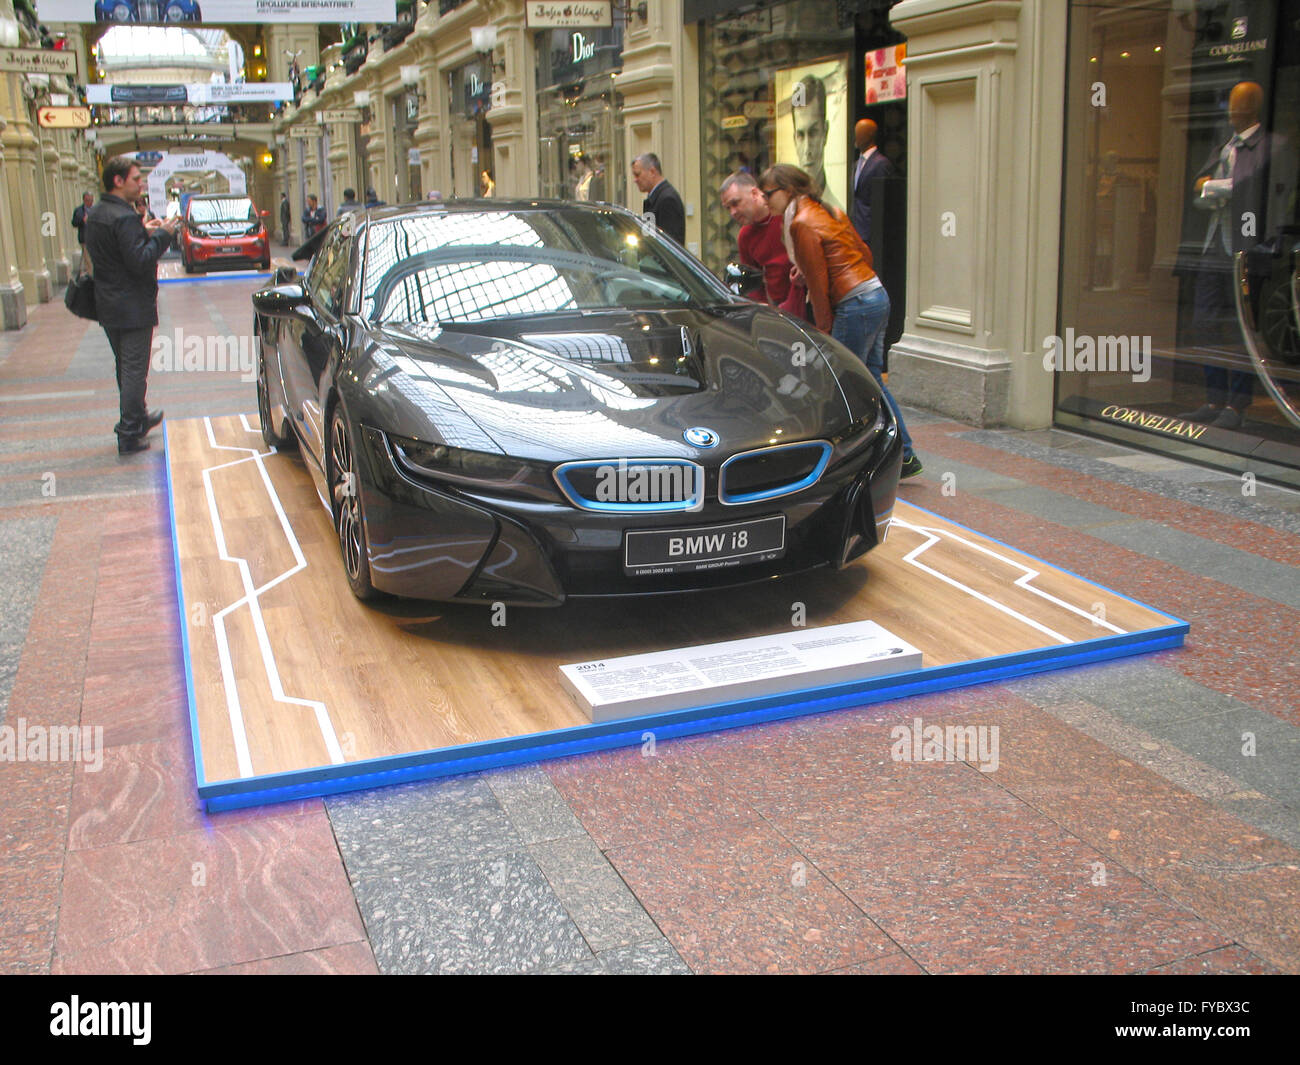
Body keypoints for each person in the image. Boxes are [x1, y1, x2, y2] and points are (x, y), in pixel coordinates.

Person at [759, 164, 921, 478]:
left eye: (769, 193)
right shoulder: (830, 211)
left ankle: (846, 463)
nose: (766, 201)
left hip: (854, 303)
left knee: (840, 385)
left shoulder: (801, 222)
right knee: (871, 380)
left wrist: (824, 327)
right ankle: (904, 456)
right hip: (874, 294)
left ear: (789, 190)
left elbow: (819, 284)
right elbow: (863, 254)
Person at [1179, 81, 1296, 429]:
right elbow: (1200, 181)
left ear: (1252, 108)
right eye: (1230, 105)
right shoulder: (1224, 147)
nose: (1232, 112)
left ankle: (1237, 404)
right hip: (1214, 244)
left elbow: (1271, 195)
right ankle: (1214, 397)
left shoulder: (1273, 147)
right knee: (1204, 322)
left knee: (1242, 327)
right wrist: (1210, 186)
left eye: (1238, 105)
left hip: (1246, 246)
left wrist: (1229, 191)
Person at [84, 155, 180, 455]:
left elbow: (117, 252)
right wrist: (163, 235)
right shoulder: (123, 216)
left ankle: (137, 417)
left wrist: (143, 233)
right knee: (135, 369)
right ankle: (129, 431)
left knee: (124, 366)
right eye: (136, 178)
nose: (141, 183)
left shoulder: (98, 212)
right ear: (118, 181)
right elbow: (139, 261)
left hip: (108, 303)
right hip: (132, 304)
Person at [719, 171, 805, 316]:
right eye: (728, 208)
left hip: (805, 299)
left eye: (735, 203)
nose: (733, 212)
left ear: (754, 193)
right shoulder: (745, 236)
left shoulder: (786, 217)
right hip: (778, 308)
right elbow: (754, 284)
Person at [791, 75, 842, 214]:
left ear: (825, 132)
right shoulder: (787, 209)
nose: (807, 149)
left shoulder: (838, 212)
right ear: (794, 138)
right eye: (801, 135)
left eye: (813, 133)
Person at [850, 119, 895, 255]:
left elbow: (885, 203)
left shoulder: (881, 164)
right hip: (855, 231)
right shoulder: (855, 165)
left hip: (871, 234)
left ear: (869, 135)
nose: (855, 137)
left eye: (859, 133)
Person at [631, 152, 686, 245]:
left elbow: (670, 245)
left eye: (638, 174)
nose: (635, 180)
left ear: (652, 172)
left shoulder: (667, 200)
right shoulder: (655, 198)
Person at [71, 191, 94, 272]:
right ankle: (92, 278)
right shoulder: (79, 211)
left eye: (91, 200)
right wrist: (82, 220)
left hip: (96, 239)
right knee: (88, 260)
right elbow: (74, 223)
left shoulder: (96, 210)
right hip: (85, 239)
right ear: (84, 200)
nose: (90, 202)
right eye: (88, 200)